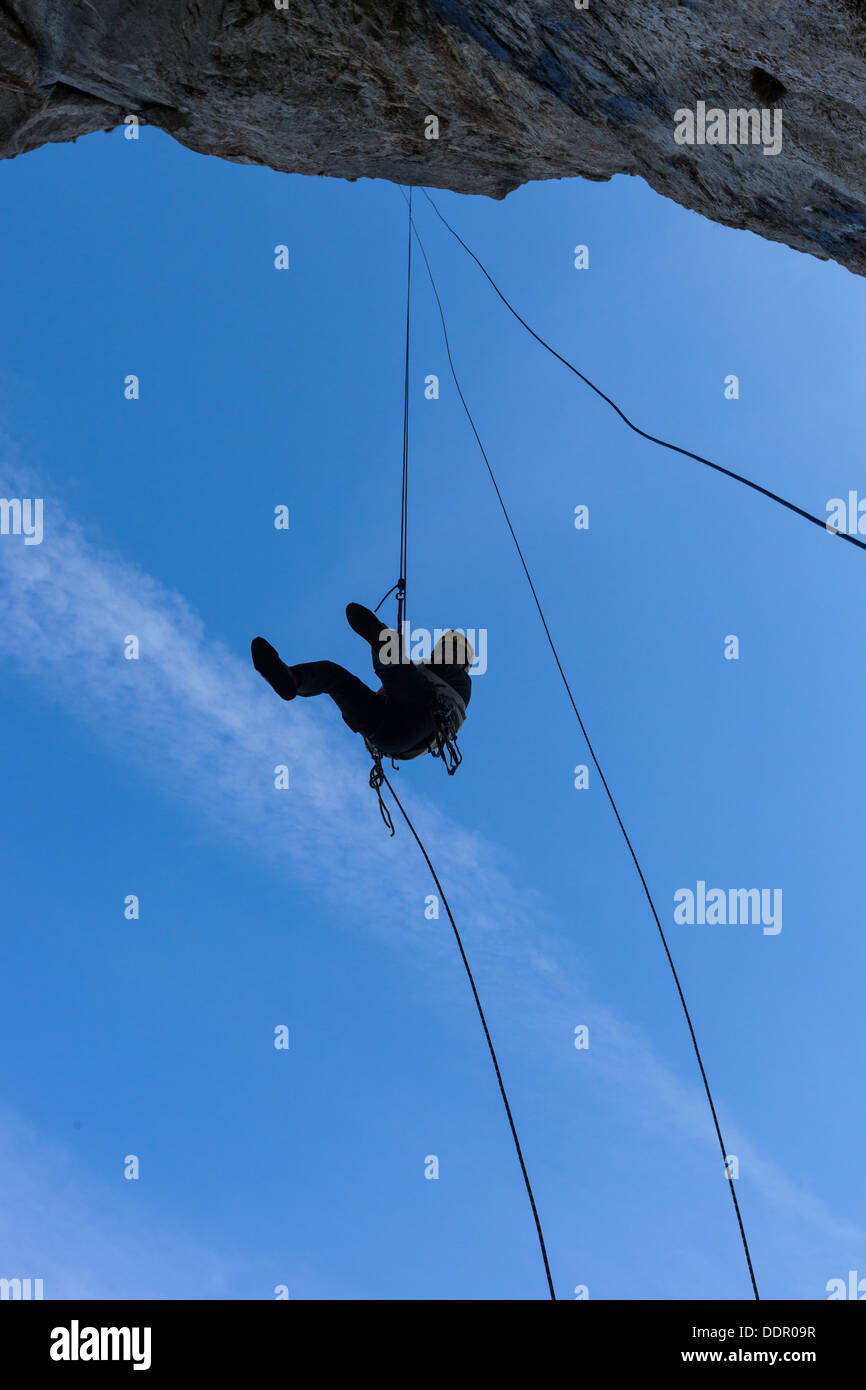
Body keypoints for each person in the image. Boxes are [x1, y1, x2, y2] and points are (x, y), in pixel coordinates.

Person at [251, 602, 472, 760]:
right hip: (386, 734)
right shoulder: (424, 669)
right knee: (334, 676)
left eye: (454, 650)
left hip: (420, 719)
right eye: (443, 647)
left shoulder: (460, 682)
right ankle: (291, 680)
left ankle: (383, 643)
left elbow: (406, 681)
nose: (447, 652)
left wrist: (398, 652)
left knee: (398, 671)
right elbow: (394, 686)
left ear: (465, 664)